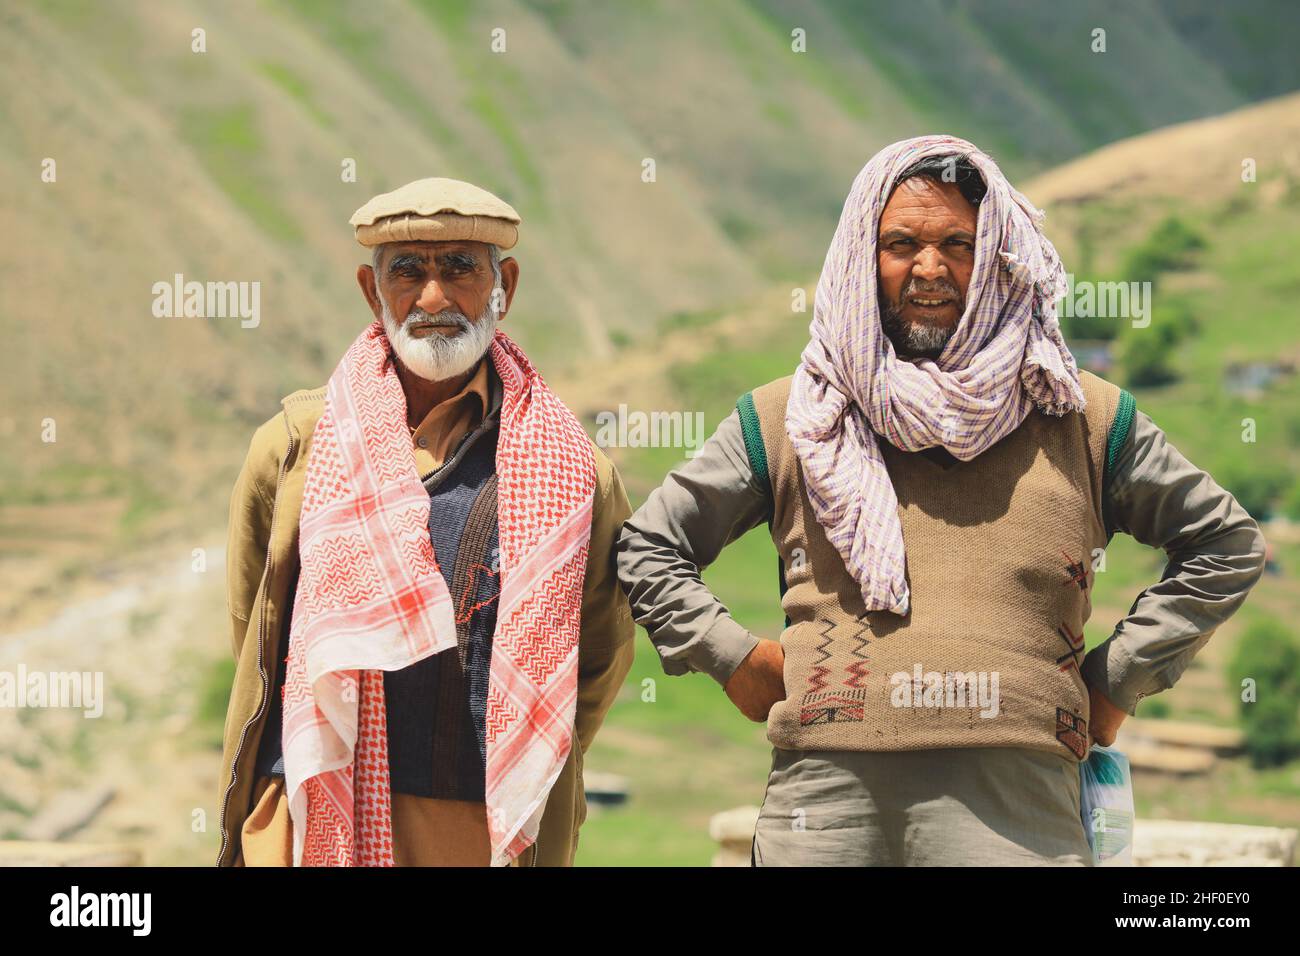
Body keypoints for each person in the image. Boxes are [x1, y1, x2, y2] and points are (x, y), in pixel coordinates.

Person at [616, 136, 1267, 866]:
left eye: (959, 243)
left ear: (995, 257)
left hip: (1018, 811)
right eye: (901, 244)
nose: (930, 268)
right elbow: (648, 545)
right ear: (863, 256)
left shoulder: (1077, 413)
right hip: (826, 809)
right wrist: (730, 657)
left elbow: (1226, 544)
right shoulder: (792, 416)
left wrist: (1120, 678)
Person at [217, 177, 634, 867]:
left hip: (481, 825)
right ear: (369, 290)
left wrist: (519, 751)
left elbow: (598, 653)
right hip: (313, 803)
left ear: (507, 285)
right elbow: (255, 632)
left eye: (461, 268)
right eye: (407, 271)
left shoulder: (573, 469)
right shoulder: (295, 446)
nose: (434, 299)